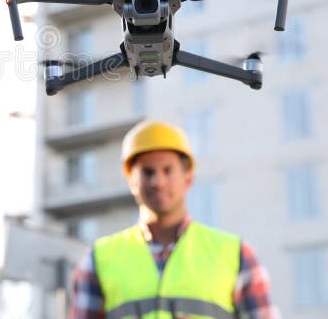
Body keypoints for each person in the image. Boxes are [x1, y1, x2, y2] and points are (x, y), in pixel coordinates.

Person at [69, 120, 278, 319]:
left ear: (188, 178)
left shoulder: (235, 254)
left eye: (167, 171)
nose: (158, 182)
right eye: (147, 172)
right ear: (131, 181)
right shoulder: (99, 259)